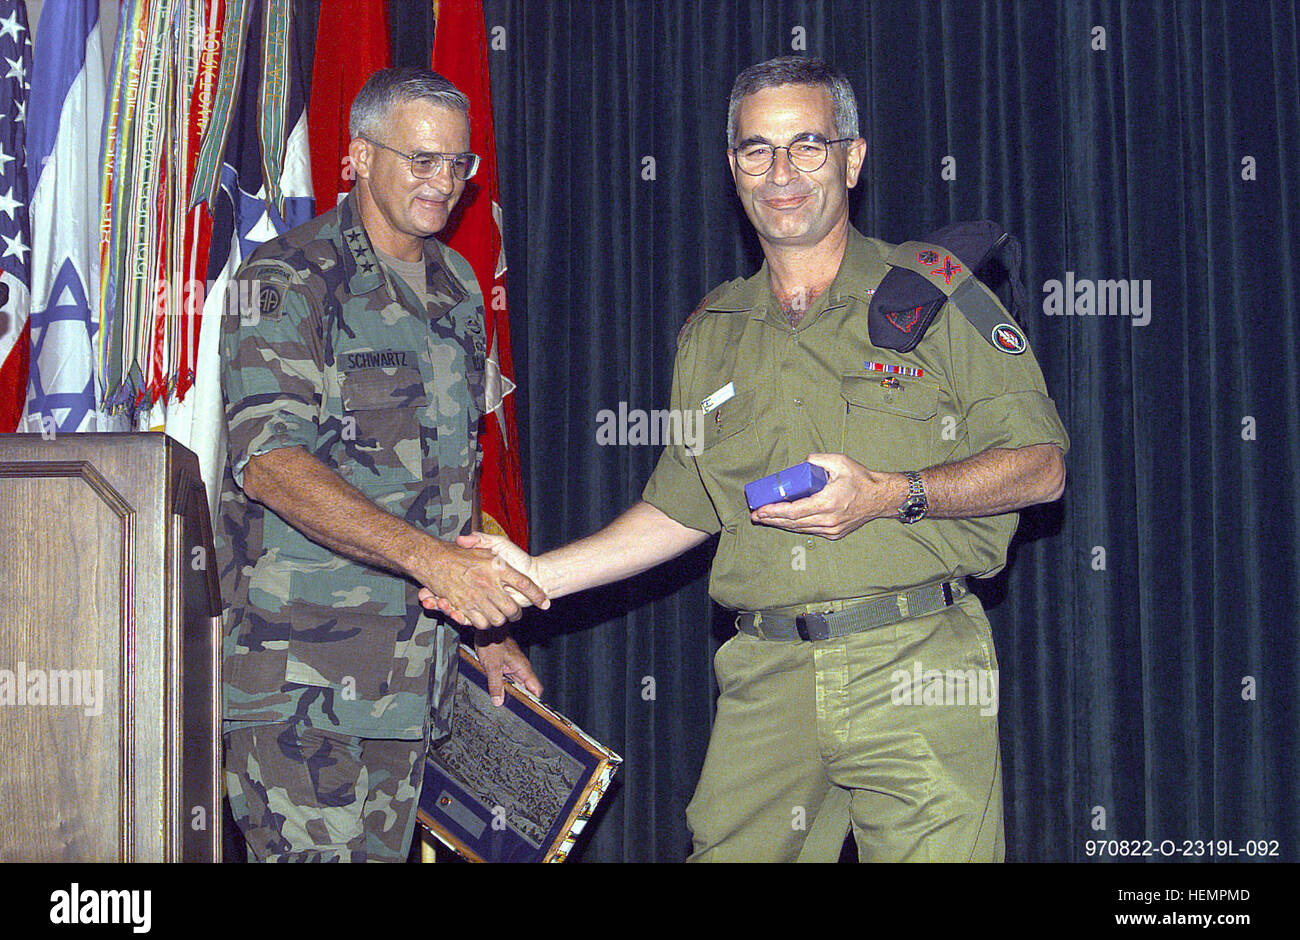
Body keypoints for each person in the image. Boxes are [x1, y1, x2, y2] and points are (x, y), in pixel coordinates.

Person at [426, 56, 1069, 862]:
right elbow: (682, 505)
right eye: (757, 151)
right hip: (766, 677)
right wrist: (535, 575)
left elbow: (1042, 465)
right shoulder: (712, 332)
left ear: (852, 157)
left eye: (807, 145)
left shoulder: (934, 293)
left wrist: (889, 493)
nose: (782, 173)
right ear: (733, 168)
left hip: (913, 662)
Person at [216, 67, 549, 862]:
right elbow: (269, 463)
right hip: (304, 688)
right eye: (421, 159)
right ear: (359, 156)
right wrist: (434, 560)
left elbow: (452, 478)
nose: (445, 183)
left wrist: (488, 629)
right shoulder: (282, 278)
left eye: (459, 165)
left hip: (412, 690)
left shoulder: (459, 287)